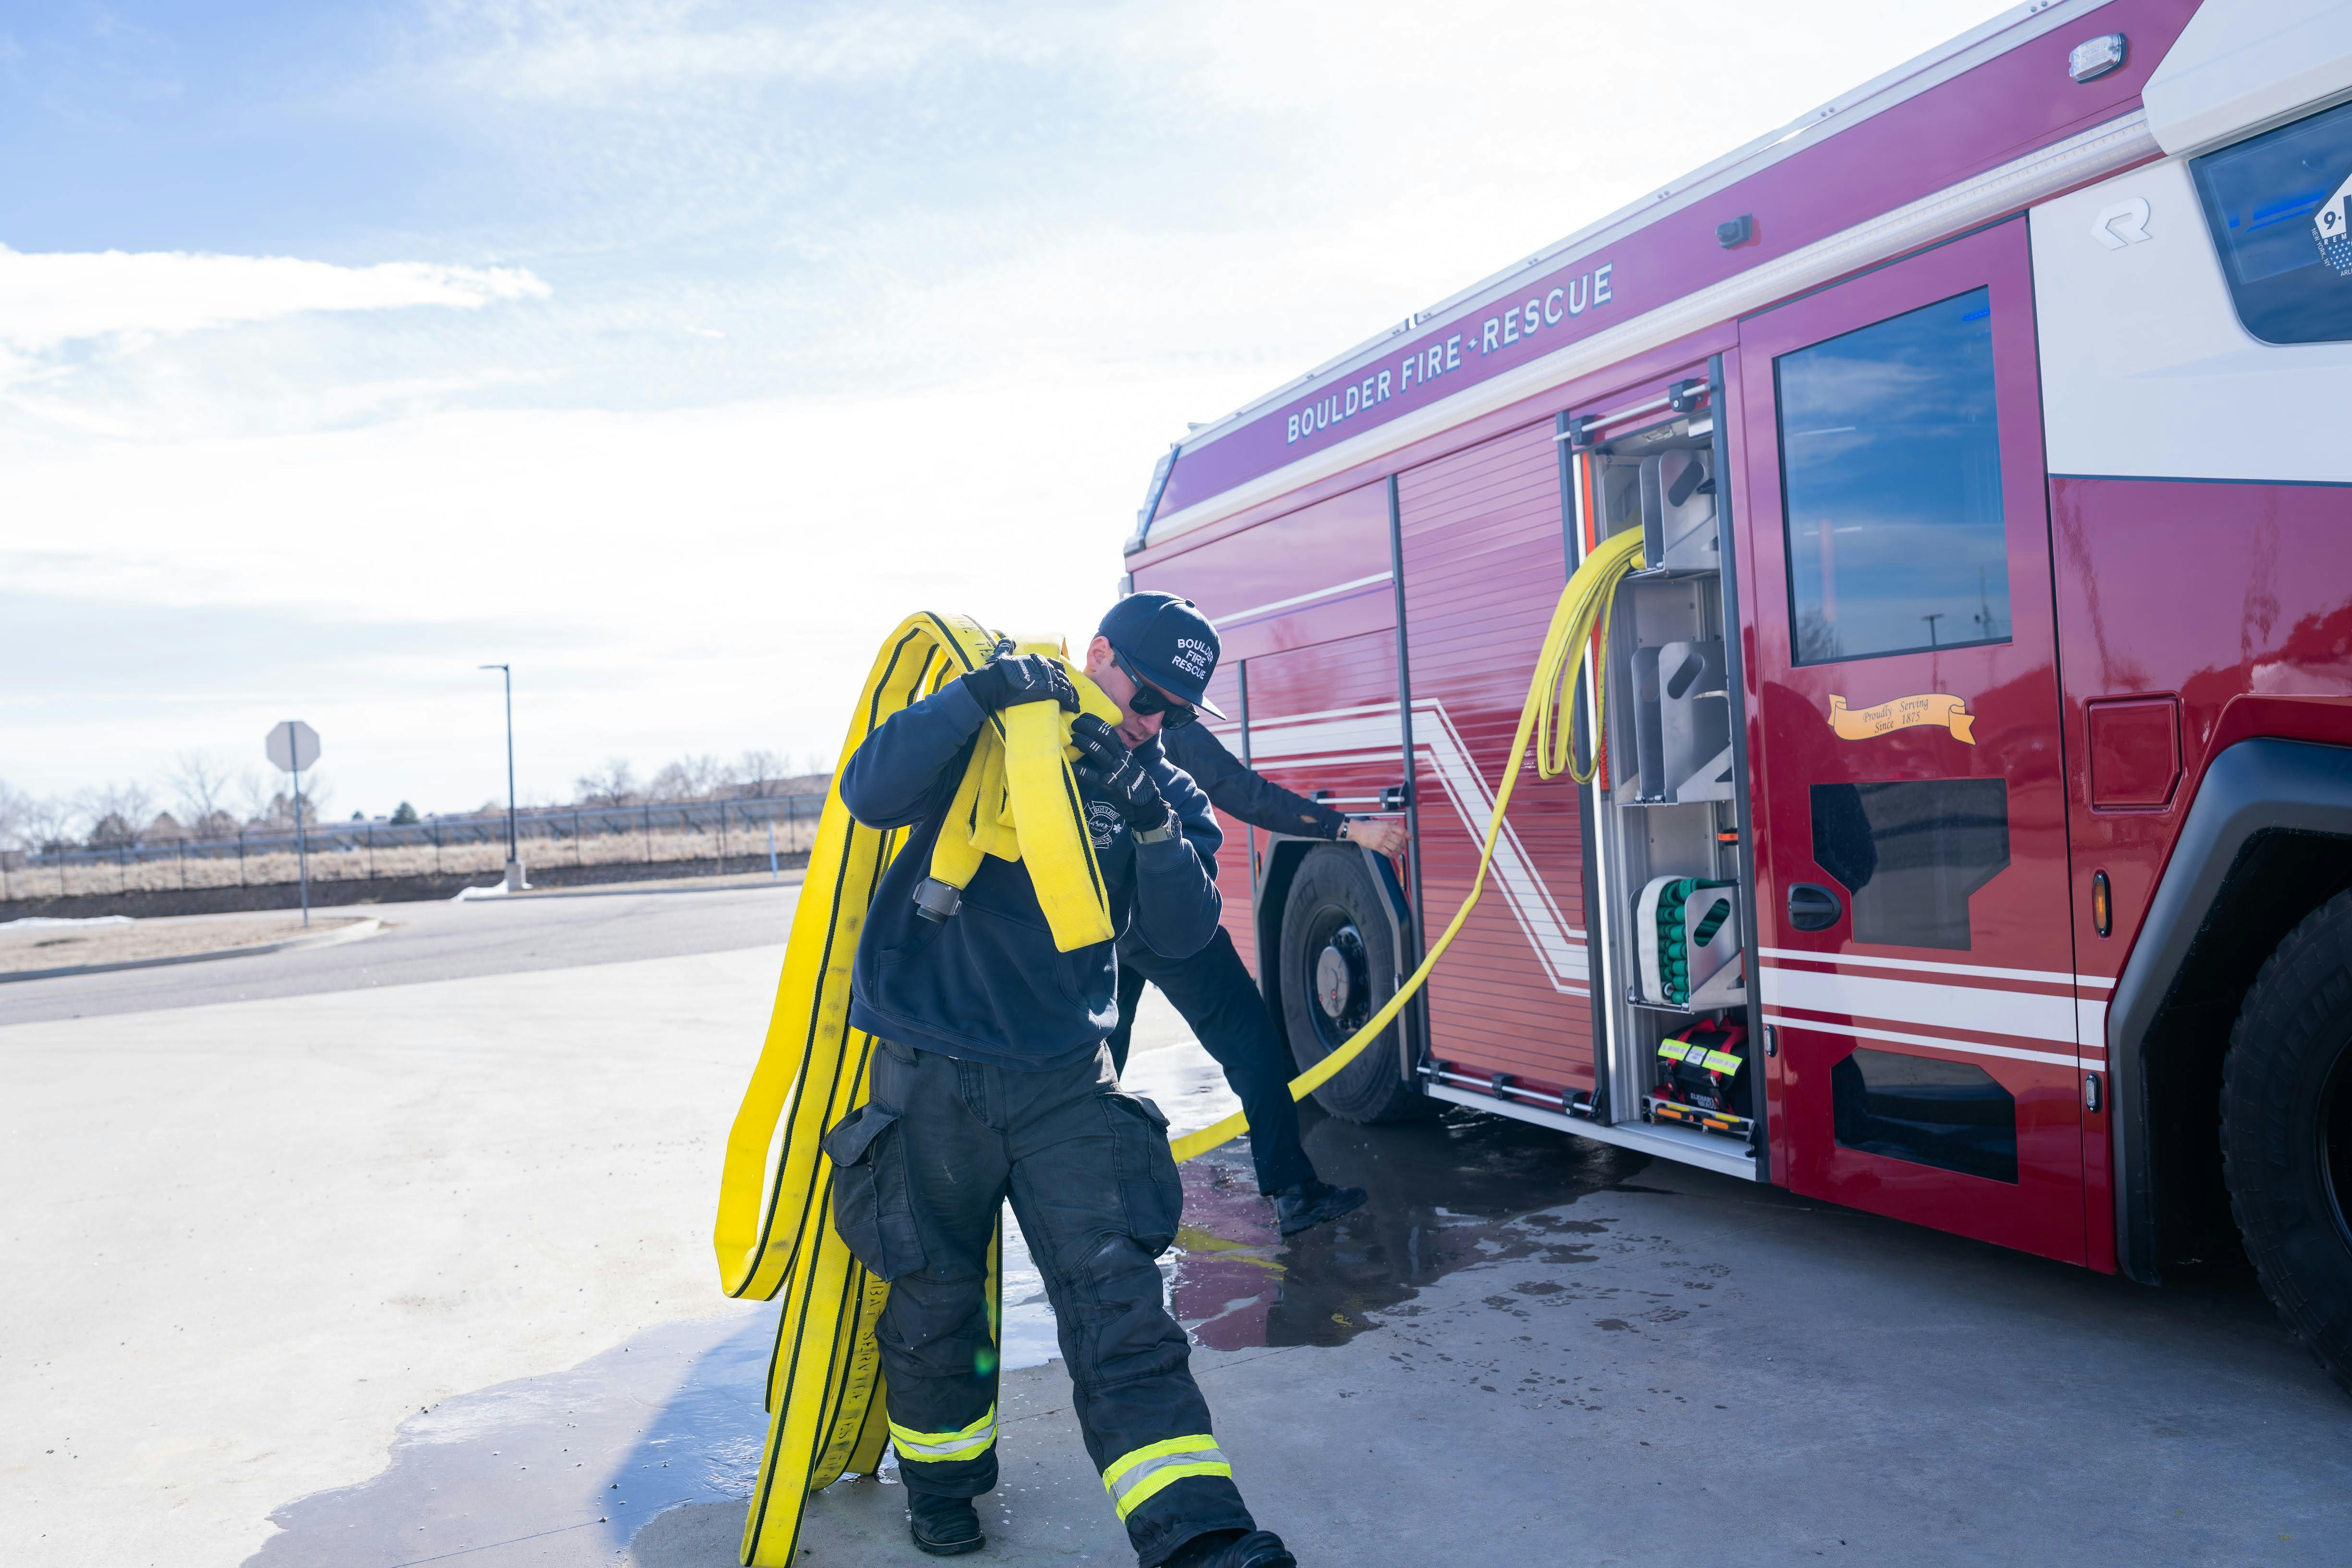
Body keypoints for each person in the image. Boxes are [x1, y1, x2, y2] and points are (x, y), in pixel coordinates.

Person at [831, 592, 1295, 1568]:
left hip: (1065, 1084)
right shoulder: (992, 731)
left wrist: (1151, 824)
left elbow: (1181, 936)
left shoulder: (1162, 790)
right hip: (931, 1070)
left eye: (1176, 711)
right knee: (935, 1302)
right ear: (1099, 654)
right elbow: (869, 793)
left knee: (1121, 1303)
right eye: (1148, 695)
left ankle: (1197, 1535)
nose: (1153, 720)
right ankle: (942, 1487)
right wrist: (976, 697)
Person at [1105, 717, 1409, 1235]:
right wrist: (1349, 828)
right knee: (1252, 1044)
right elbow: (1244, 794)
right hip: (1167, 920)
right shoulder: (1164, 724)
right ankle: (1294, 1191)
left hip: (1103, 920)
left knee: (1101, 1062)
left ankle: (1095, 1208)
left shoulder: (1071, 718)